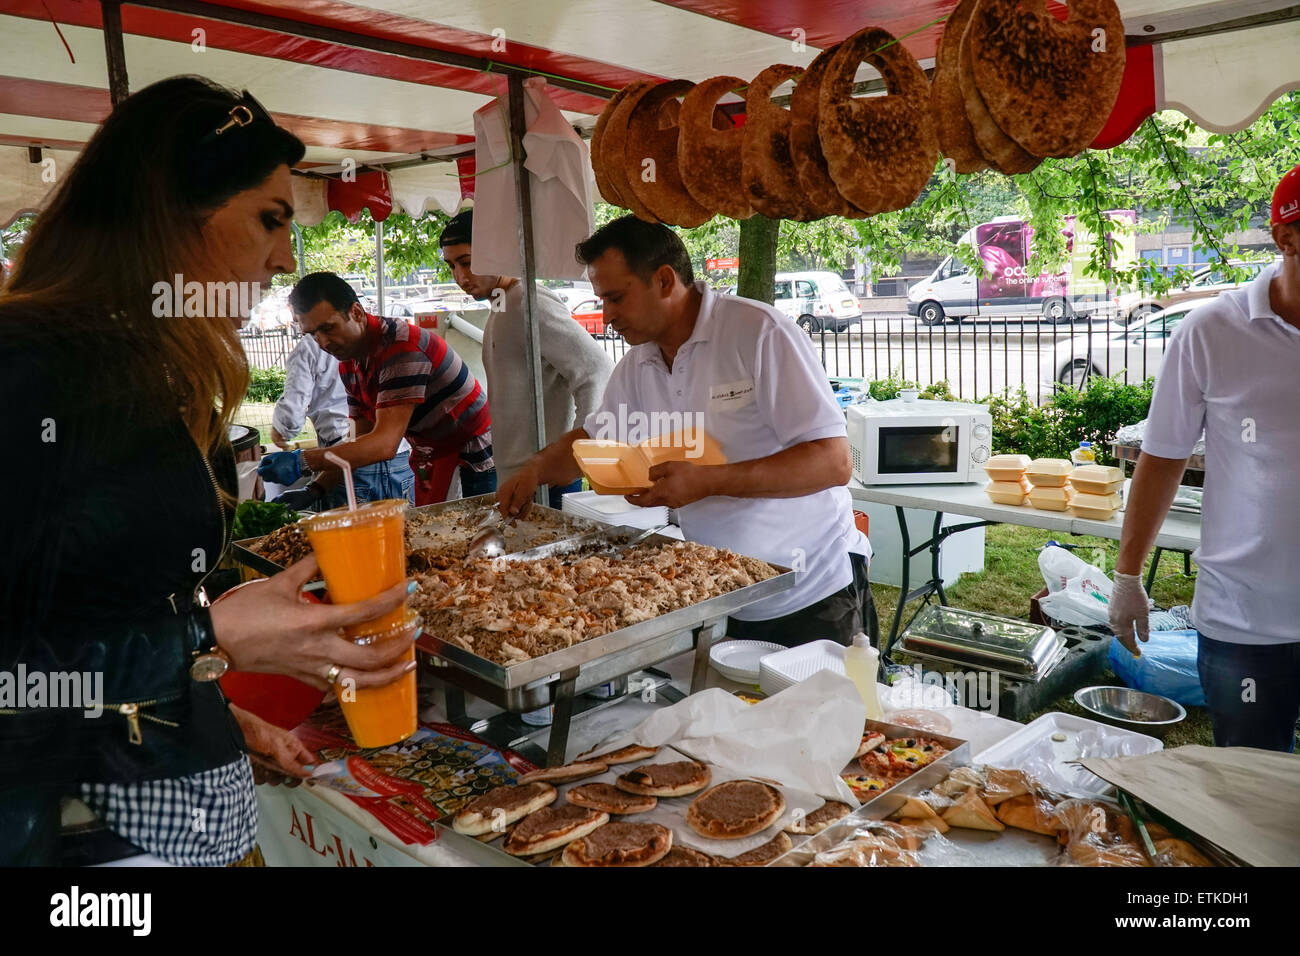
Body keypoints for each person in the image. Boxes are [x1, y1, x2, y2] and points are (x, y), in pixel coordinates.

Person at [0, 77, 415, 865]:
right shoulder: (27, 370)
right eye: (269, 219)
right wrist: (206, 637)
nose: (285, 257)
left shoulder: (158, 373)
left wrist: (204, 706)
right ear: (166, 215)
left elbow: (87, 615)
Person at [498, 216, 874, 647]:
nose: (608, 315)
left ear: (663, 280)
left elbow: (833, 461)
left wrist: (708, 481)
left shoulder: (759, 334)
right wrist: (536, 469)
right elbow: (596, 439)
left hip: (813, 591)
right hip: (721, 592)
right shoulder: (637, 364)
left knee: (826, 713)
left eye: (616, 298)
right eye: (602, 300)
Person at [1110, 164, 1300, 752]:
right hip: (1245, 620)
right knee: (1247, 799)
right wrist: (1127, 576)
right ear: (1285, 238)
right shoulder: (1213, 331)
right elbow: (1162, 456)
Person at [262, 272, 495, 505]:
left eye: (328, 328)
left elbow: (384, 444)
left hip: (474, 461)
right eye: (312, 334)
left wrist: (303, 461)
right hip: (431, 457)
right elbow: (357, 437)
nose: (323, 343)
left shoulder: (402, 348)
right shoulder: (350, 363)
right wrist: (316, 489)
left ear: (356, 312)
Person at [439, 209, 612, 509]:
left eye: (466, 262)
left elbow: (596, 369)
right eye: (451, 266)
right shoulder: (502, 305)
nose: (460, 277)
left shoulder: (528, 301)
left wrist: (578, 451)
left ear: (497, 251)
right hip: (517, 475)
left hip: (546, 481)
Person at [267, 331, 414, 510]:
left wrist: (288, 444)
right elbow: (360, 434)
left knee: (349, 537)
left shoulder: (310, 346)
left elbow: (291, 414)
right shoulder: (373, 344)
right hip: (399, 459)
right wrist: (313, 489)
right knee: (402, 531)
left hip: (351, 459)